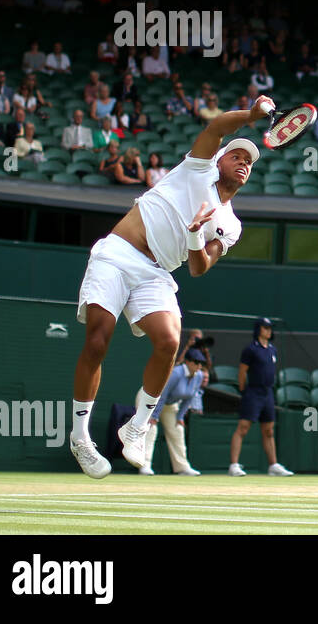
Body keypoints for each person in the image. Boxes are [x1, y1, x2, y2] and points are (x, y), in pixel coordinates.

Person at [68, 93, 274, 479]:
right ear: (219, 160)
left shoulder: (231, 225)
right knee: (98, 340)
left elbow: (200, 267)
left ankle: (137, 425)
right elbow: (216, 128)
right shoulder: (196, 169)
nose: (243, 163)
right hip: (117, 254)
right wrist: (250, 115)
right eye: (237, 156)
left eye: (249, 161)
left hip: (157, 272)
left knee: (168, 341)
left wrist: (196, 234)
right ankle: (80, 435)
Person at [229, 318, 295, 476]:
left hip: (268, 393)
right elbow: (242, 372)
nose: (269, 330)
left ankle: (273, 465)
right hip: (253, 392)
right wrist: (244, 391)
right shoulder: (250, 349)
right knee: (243, 428)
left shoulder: (273, 349)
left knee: (269, 431)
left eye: (270, 328)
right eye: (265, 328)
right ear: (258, 329)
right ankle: (234, 465)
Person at [139, 347, 206, 476]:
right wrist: (154, 415)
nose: (199, 366)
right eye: (196, 362)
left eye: (201, 363)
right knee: (151, 429)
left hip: (170, 405)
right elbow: (162, 394)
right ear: (188, 362)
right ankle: (144, 466)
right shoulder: (176, 373)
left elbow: (190, 397)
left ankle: (182, 467)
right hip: (150, 399)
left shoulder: (199, 376)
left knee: (177, 430)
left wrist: (180, 417)